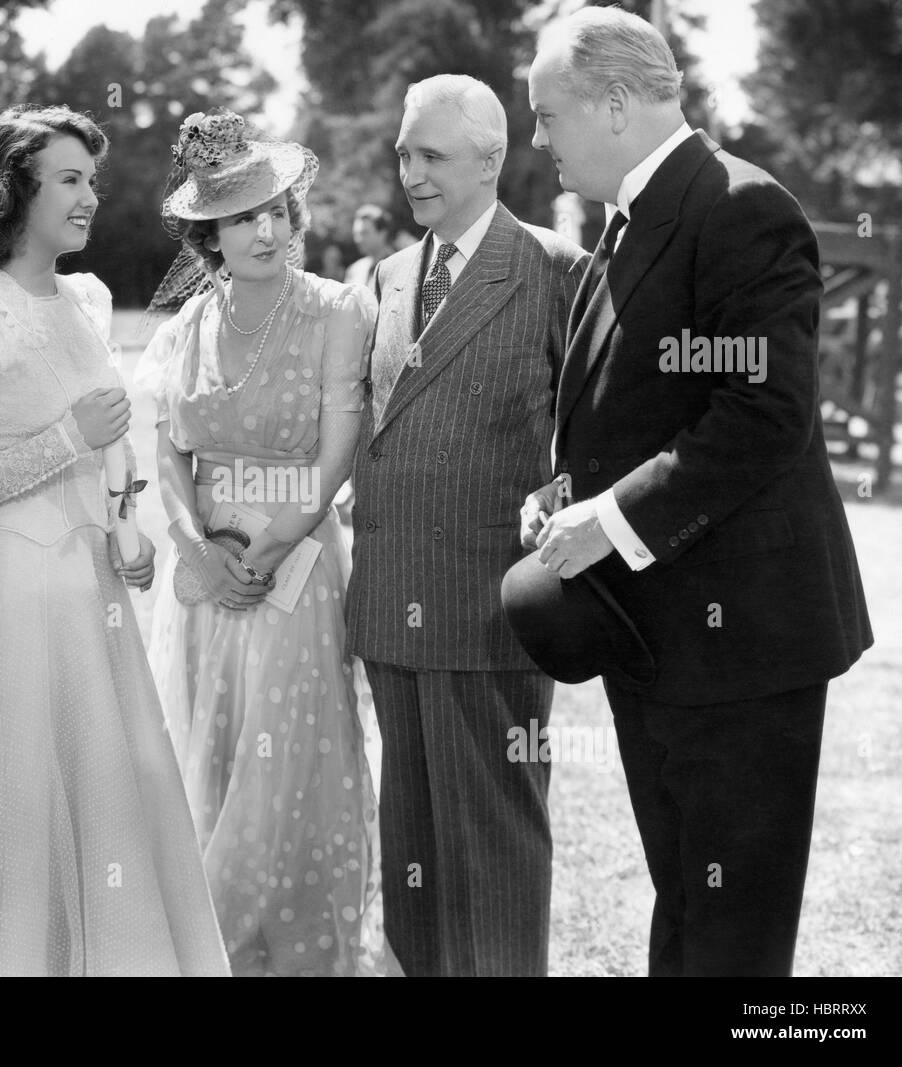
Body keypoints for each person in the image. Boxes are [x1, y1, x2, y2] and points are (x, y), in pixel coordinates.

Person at [523, 6, 871, 976]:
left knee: (733, 936)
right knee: (686, 900)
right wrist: (565, 493)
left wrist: (613, 516)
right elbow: (634, 408)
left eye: (549, 116)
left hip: (744, 648)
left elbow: (765, 411)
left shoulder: (738, 207)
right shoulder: (624, 224)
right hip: (662, 639)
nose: (540, 140)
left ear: (617, 105)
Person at [0, 105, 228, 977]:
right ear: (16, 190)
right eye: (71, 180)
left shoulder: (85, 299)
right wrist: (66, 441)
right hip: (12, 600)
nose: (92, 196)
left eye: (94, 178)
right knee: (20, 810)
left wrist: (131, 529)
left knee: (109, 807)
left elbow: (111, 454)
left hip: (97, 598)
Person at [138, 110, 396, 977]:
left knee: (282, 762)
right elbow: (169, 449)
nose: (263, 228)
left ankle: (289, 950)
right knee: (205, 747)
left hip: (298, 566)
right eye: (242, 215)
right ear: (207, 233)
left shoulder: (335, 311)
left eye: (275, 209)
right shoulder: (182, 329)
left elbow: (338, 450)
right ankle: (209, 949)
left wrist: (270, 547)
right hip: (207, 573)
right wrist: (193, 546)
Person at [344, 74, 589, 977]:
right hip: (389, 604)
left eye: (432, 155)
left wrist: (565, 497)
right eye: (404, 152)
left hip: (487, 612)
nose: (410, 171)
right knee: (408, 843)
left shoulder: (556, 269)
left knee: (493, 846)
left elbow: (602, 431)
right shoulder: (384, 275)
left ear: (492, 161)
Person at [344, 203, 395, 288]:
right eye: (356, 234)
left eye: (365, 233)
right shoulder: (354, 270)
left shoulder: (399, 267)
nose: (358, 239)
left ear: (382, 233)